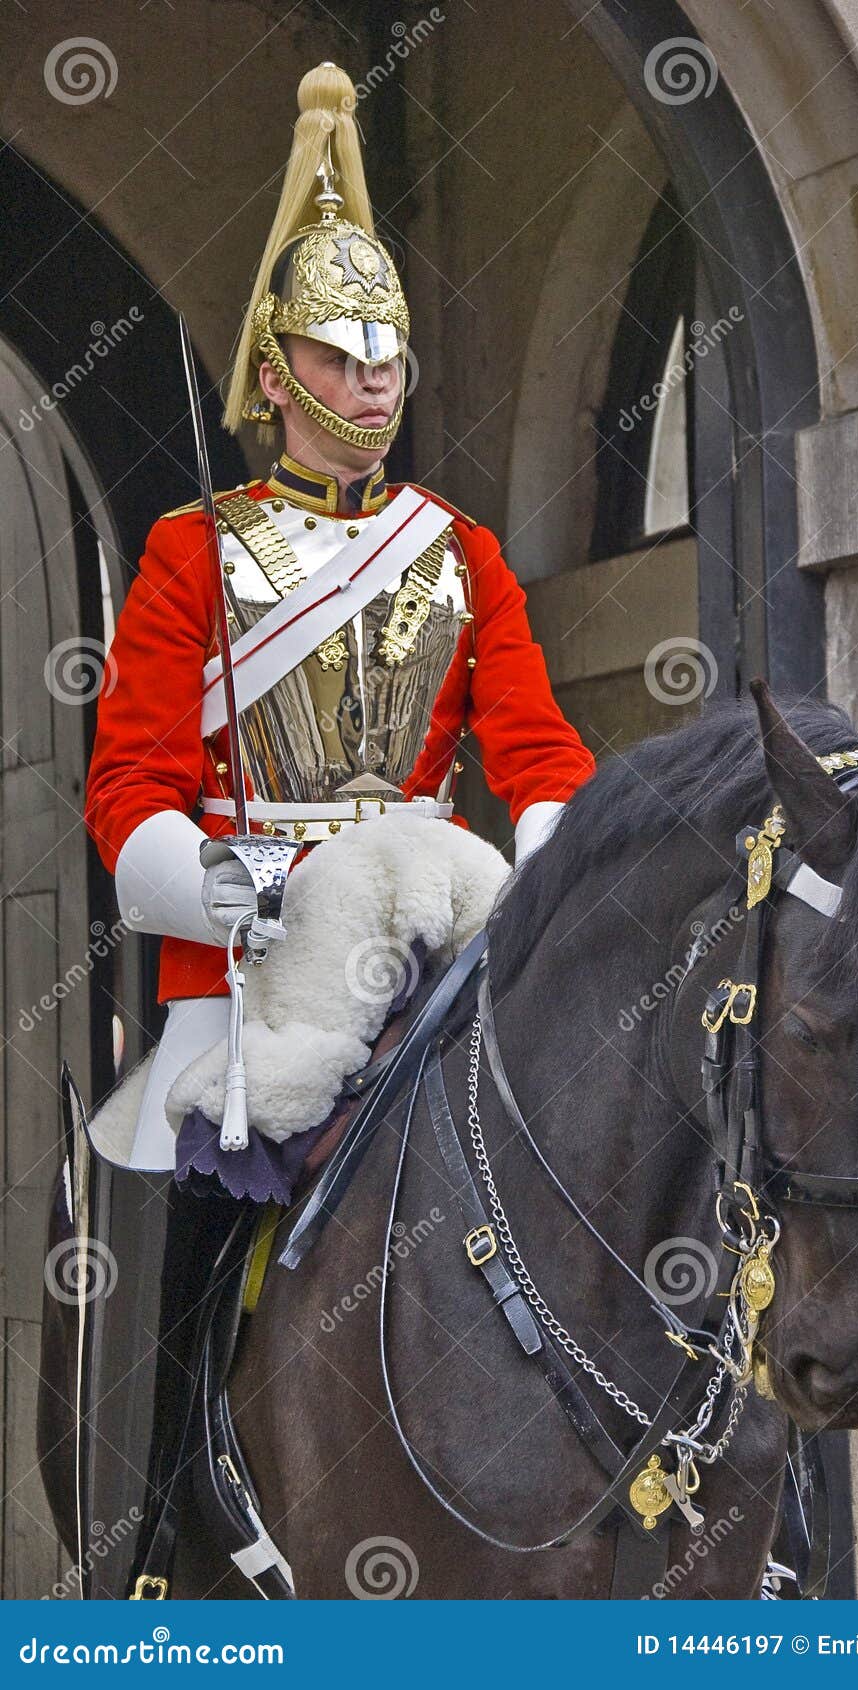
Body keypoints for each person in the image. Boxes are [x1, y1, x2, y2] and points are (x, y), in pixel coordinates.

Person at [84, 61, 596, 1170]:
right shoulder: (193, 549)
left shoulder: (462, 550)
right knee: (207, 1223)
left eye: (386, 356)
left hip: (426, 941)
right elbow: (129, 787)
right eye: (340, 357)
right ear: (275, 376)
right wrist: (235, 889)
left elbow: (538, 751)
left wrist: (550, 873)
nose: (373, 382)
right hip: (250, 966)